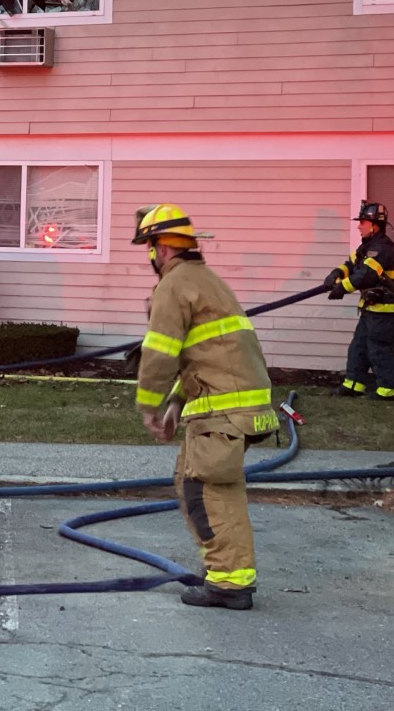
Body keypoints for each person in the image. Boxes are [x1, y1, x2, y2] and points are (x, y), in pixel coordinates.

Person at [132, 203, 279, 611]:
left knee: (206, 490)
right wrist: (178, 402)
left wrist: (149, 405)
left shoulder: (174, 284)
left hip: (224, 410)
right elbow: (207, 352)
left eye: (148, 247)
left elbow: (161, 351)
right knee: (204, 484)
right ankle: (227, 574)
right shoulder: (207, 280)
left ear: (159, 249)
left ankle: (229, 584)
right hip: (238, 405)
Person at [326, 201, 394, 401]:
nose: (358, 226)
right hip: (371, 308)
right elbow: (351, 264)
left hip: (384, 310)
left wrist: (342, 287)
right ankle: (353, 385)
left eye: (362, 222)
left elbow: (367, 275)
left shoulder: (383, 249)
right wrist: (336, 273)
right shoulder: (367, 247)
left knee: (378, 349)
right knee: (359, 347)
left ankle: (388, 391)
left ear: (374, 225)